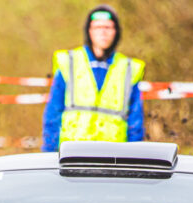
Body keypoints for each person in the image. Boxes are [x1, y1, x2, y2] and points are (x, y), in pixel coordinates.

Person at [41, 5, 145, 152]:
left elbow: (135, 121)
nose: (103, 32)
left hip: (114, 157)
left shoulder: (129, 68)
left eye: (108, 27)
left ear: (116, 32)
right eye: (97, 27)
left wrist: (135, 157)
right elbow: (53, 112)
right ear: (89, 31)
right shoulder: (69, 62)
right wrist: (49, 153)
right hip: (73, 155)